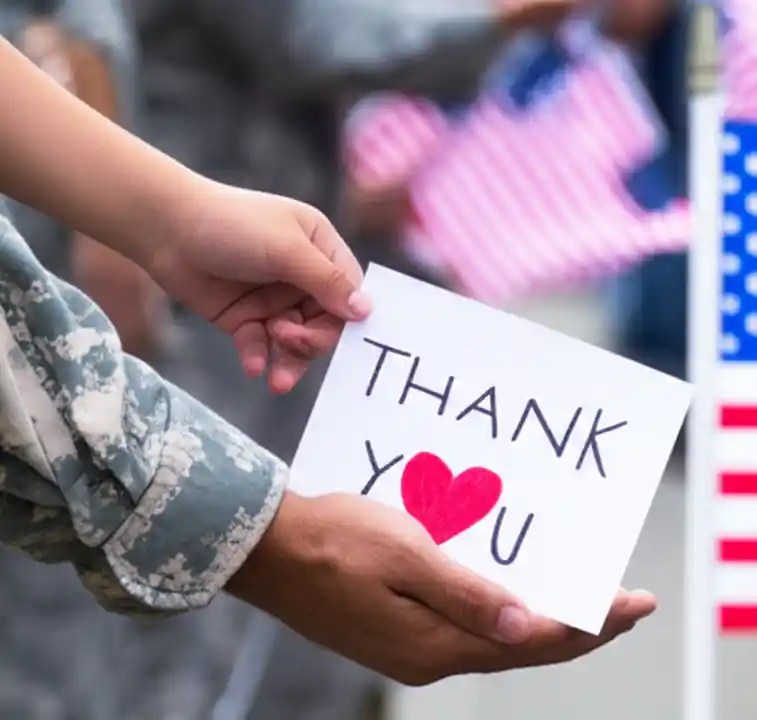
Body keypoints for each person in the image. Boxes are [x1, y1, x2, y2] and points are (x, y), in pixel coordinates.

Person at [0, 29, 656, 713]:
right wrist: (269, 541)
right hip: (141, 323)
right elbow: (342, 28)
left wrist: (166, 215)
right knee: (107, 641)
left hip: (219, 271)